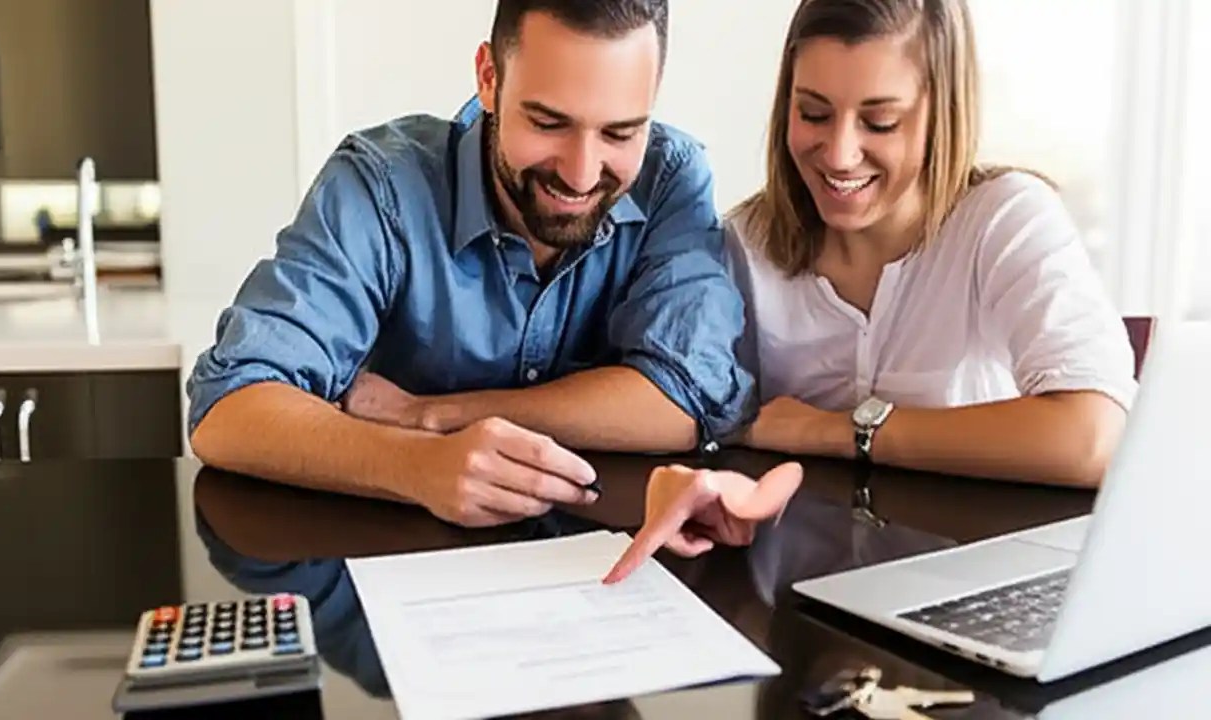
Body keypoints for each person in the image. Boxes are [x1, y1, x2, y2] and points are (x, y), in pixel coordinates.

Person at [603, 0, 1138, 582]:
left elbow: (1096, 439)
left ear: (944, 112)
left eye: (880, 122)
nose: (838, 154)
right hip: (801, 604)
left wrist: (837, 430)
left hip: (973, 593)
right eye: (813, 114)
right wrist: (697, 480)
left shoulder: (1005, 220)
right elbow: (702, 426)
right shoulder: (740, 246)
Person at [186, 0, 755, 529]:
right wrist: (417, 467)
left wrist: (433, 415)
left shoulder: (671, 179)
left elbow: (684, 400)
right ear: (488, 78)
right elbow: (230, 407)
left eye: (619, 133)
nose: (582, 174)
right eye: (548, 123)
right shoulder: (382, 186)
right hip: (392, 560)